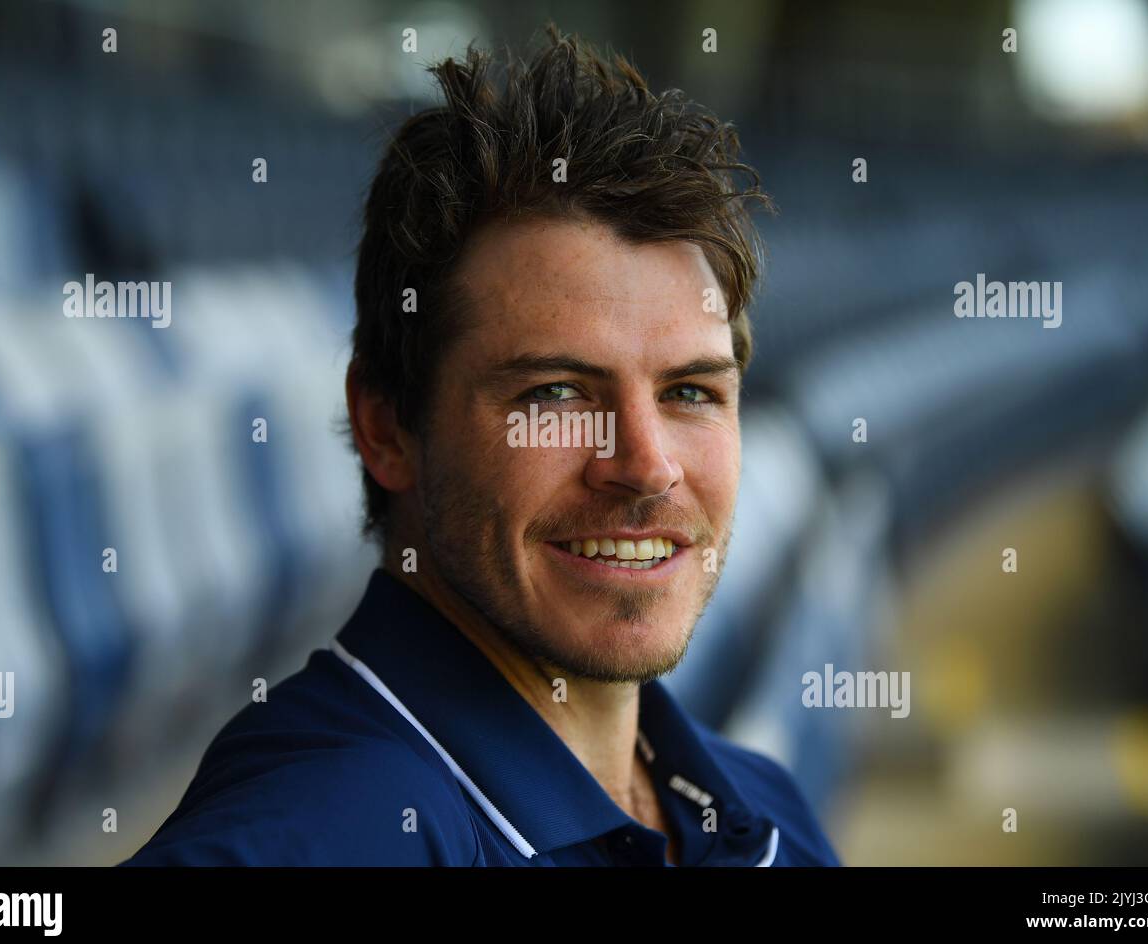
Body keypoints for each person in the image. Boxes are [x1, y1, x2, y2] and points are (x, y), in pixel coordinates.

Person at [122, 24, 840, 867]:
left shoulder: (761, 807)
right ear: (388, 427)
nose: (646, 464)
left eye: (690, 392)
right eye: (556, 393)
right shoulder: (334, 826)